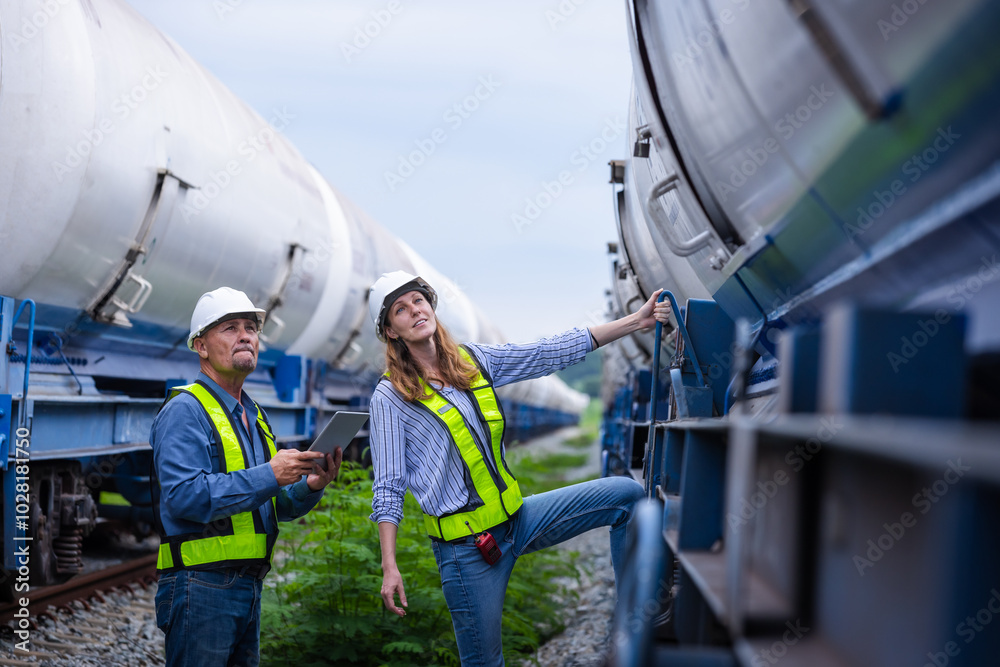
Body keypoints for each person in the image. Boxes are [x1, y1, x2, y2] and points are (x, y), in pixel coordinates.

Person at [366, 271, 671, 666]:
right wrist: (389, 566)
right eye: (400, 310)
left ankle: (634, 628)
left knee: (626, 496)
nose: (414, 311)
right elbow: (388, 487)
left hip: (519, 519)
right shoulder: (390, 397)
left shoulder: (471, 362)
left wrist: (636, 321)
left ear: (431, 305)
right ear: (391, 330)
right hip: (467, 551)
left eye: (418, 301)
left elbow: (544, 353)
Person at [150, 287, 343, 667]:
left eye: (251, 328)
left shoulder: (253, 416)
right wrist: (270, 474)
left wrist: (312, 485)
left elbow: (275, 505)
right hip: (200, 587)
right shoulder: (185, 410)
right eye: (230, 328)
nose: (246, 336)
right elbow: (185, 497)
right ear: (201, 347)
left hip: (248, 586)